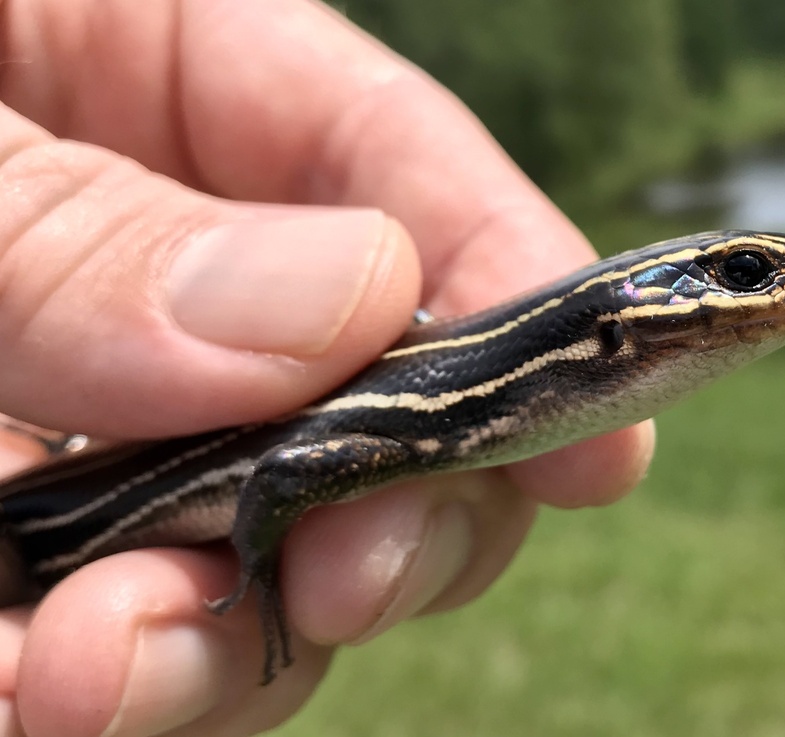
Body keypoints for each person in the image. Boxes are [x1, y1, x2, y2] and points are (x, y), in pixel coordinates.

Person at [0, 1, 655, 735]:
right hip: (27, 531)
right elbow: (281, 477)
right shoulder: (418, 421)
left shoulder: (437, 398)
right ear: (611, 334)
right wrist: (264, 569)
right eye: (747, 270)